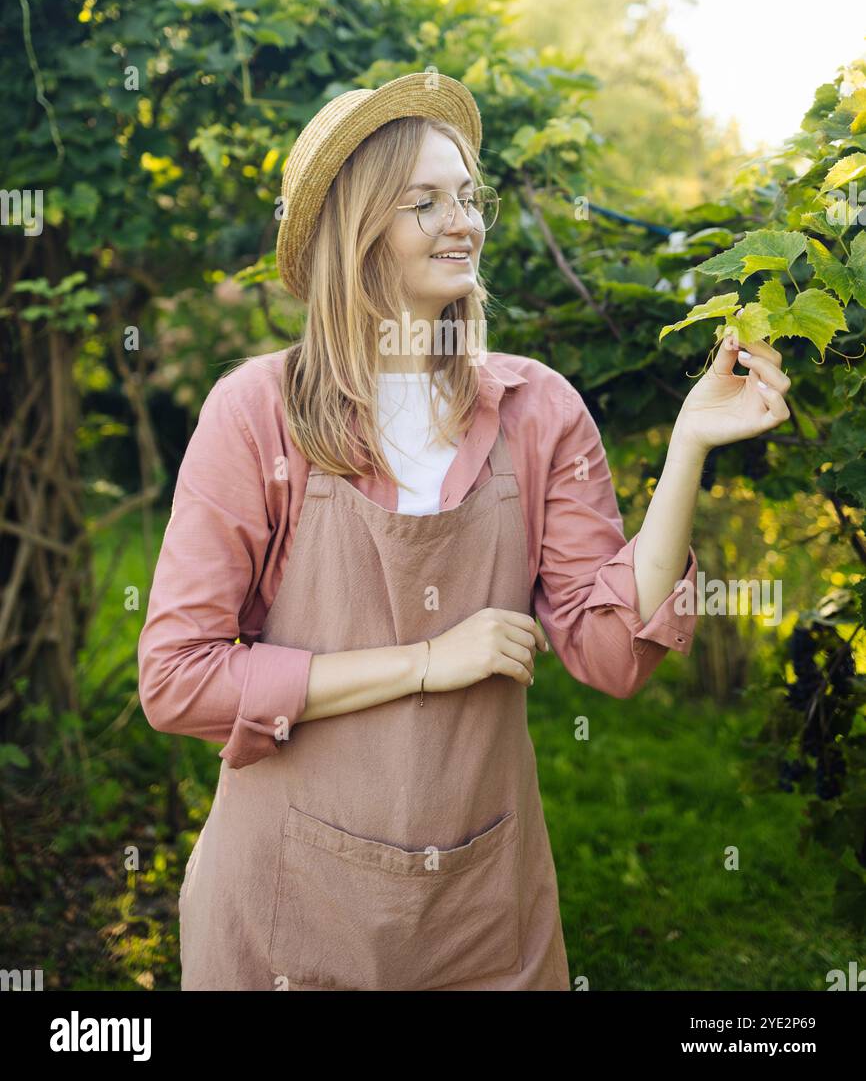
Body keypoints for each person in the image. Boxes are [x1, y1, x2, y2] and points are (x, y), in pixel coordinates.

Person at [138, 70, 792, 991]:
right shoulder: (256, 414)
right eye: (427, 202)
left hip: (484, 914)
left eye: (470, 197)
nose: (466, 222)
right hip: (286, 915)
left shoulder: (538, 411)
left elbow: (610, 653)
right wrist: (429, 660)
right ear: (357, 231)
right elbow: (177, 680)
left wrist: (689, 441)